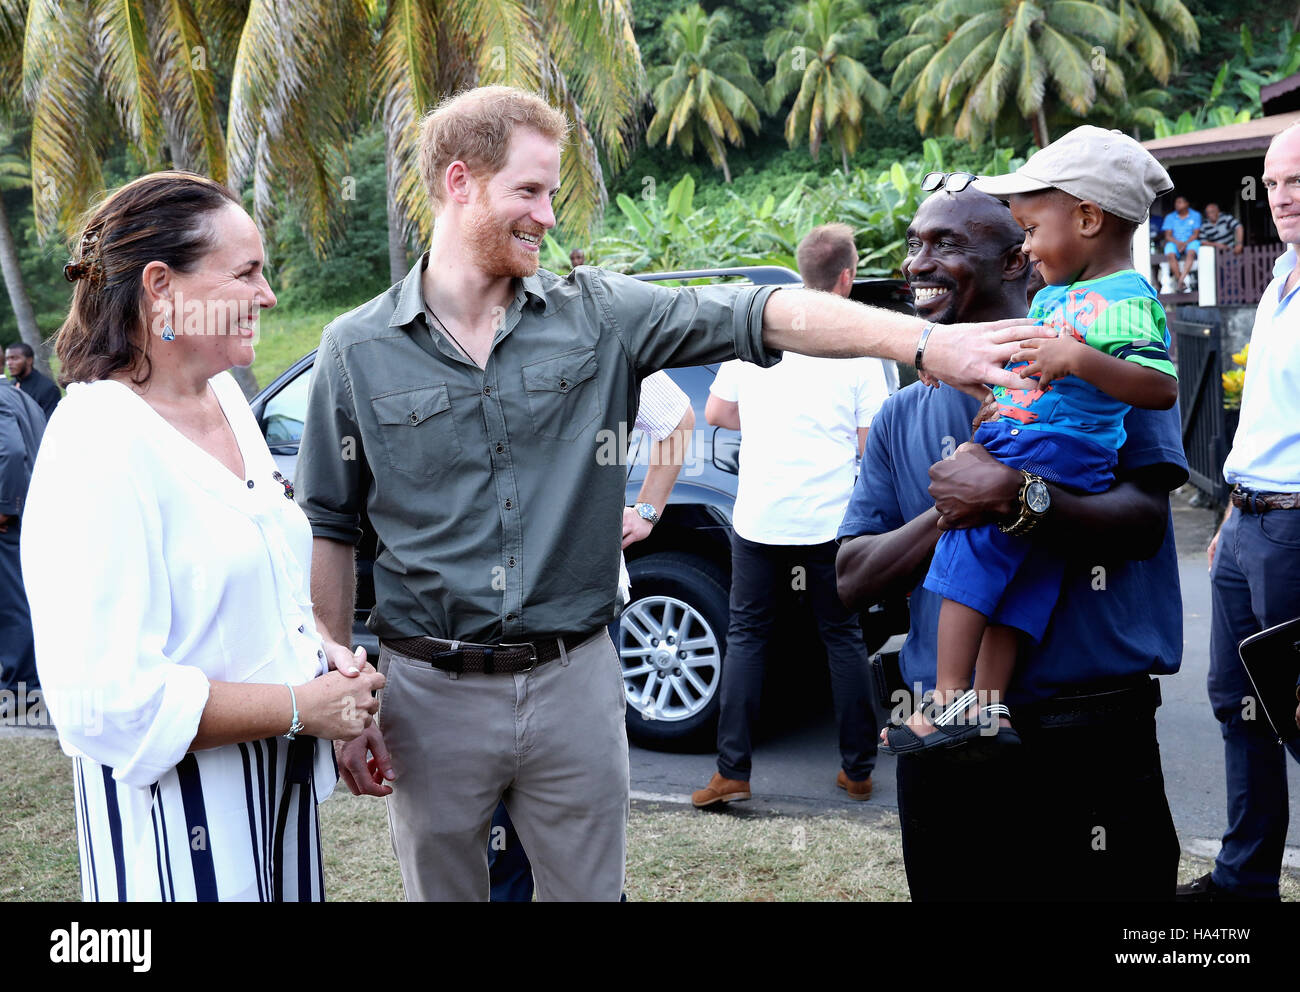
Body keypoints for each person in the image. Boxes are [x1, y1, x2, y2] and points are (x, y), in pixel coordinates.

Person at [297, 85, 1041, 902]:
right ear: (461, 182)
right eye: (530, 191)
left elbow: (766, 312)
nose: (548, 215)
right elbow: (329, 526)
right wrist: (338, 682)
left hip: (573, 680)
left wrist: (928, 344)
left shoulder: (599, 315)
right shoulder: (355, 348)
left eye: (553, 193)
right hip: (427, 692)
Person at [18, 171, 384, 902]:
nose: (269, 295)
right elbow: (102, 699)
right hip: (175, 839)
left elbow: (259, 588)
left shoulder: (224, 400)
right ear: (162, 286)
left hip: (274, 818)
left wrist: (327, 664)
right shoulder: (97, 441)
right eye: (246, 273)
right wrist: (297, 706)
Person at [836, 179, 1187, 900]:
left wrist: (1017, 495)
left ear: (1017, 262)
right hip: (946, 752)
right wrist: (951, 508)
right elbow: (851, 578)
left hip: (1089, 735)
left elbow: (1145, 524)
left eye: (946, 244)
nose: (917, 263)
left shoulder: (1098, 366)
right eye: (913, 244)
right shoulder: (902, 413)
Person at [880, 127, 1179, 755]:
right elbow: (1024, 362)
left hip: (1052, 453)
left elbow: (1159, 387)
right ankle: (992, 709)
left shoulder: (1122, 299)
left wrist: (1078, 359)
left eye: (1034, 231)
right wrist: (960, 369)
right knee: (1021, 588)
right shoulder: (1062, 297)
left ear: (1089, 219)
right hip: (1043, 448)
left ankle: (945, 702)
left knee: (966, 560)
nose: (1031, 249)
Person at [691, 223, 889, 807]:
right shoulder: (859, 347)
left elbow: (718, 413)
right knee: (844, 638)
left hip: (759, 516)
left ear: (802, 272)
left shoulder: (757, 337)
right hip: (831, 523)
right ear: (847, 277)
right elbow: (867, 443)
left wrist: (772, 423)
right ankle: (857, 771)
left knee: (748, 637)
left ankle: (732, 772)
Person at [489, 369, 694, 901]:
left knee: (579, 817)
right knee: (499, 834)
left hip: (579, 616)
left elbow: (677, 419)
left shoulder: (597, 332)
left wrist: (647, 509)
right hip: (481, 629)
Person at [1179, 125, 1300, 902]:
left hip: (1296, 529)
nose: (1285, 199)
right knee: (1240, 703)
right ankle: (1245, 878)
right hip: (1246, 520)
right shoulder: (1281, 274)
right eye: (1277, 183)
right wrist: (1227, 513)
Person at [0, 384, 44, 716]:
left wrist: (4, 506)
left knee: (13, 603)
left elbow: (12, 451)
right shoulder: (22, 396)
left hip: (11, 517)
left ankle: (22, 691)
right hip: (34, 507)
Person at [5, 342, 61, 420]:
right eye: (7, 359)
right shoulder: (10, 386)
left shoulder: (47, 388)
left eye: (14, 358)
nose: (9, 363)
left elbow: (49, 423)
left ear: (29, 360)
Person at [1162, 195, 1202, 292]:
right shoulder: (1170, 217)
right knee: (1170, 254)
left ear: (1186, 204)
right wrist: (1178, 243)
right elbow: (1168, 236)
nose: (1177, 204)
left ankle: (1180, 280)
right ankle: (1182, 281)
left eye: (1180, 202)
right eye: (1176, 202)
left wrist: (1184, 244)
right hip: (1174, 242)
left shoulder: (1195, 215)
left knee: (1191, 252)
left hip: (1190, 241)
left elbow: (1196, 234)